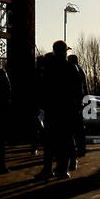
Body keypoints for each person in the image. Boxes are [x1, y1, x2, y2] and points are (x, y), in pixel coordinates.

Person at [38, 41, 81, 179]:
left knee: (49, 142)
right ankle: (62, 170)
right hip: (67, 111)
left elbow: (43, 88)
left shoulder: (49, 68)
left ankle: (47, 169)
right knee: (65, 142)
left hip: (52, 110)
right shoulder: (71, 68)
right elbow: (78, 92)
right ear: (65, 51)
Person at [68, 54, 88, 159]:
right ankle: (82, 149)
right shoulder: (82, 70)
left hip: (77, 103)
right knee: (79, 128)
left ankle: (78, 149)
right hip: (82, 102)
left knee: (75, 128)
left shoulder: (75, 70)